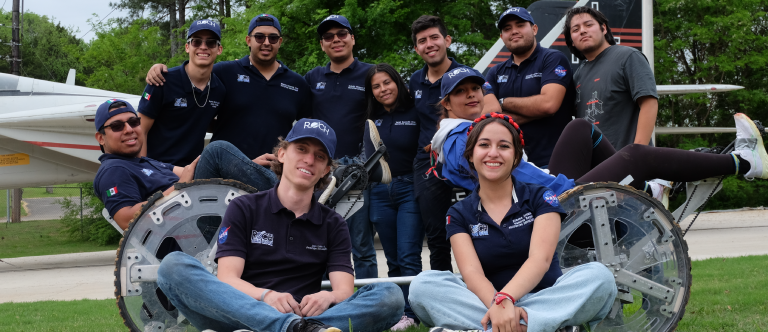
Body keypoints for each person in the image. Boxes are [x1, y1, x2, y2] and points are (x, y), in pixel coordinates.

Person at [156, 118, 405, 332]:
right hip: (238, 316)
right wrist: (267, 296)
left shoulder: (333, 223)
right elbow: (228, 278)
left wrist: (327, 296)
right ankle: (292, 328)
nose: (309, 160)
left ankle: (299, 327)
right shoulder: (244, 208)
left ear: (326, 170)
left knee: (390, 297)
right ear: (282, 154)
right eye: (302, 149)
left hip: (305, 315)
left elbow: (343, 290)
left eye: (319, 157)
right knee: (172, 266)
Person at [428, 70, 768, 205]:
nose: (472, 95)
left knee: (579, 127)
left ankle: (649, 191)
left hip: (543, 190)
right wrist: (551, 185)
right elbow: (497, 173)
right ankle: (746, 162)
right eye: (461, 92)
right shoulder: (459, 137)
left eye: (476, 88)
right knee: (637, 155)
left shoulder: (461, 133)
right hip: (549, 202)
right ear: (446, 103)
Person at [409, 113, 617, 332]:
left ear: (516, 157)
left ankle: (494, 327)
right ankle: (540, 326)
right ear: (470, 154)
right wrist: (499, 305)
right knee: (423, 286)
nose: (493, 153)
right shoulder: (458, 212)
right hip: (488, 304)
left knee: (599, 277)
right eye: (484, 145)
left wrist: (507, 297)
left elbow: (540, 260)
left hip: (546, 297)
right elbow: (472, 274)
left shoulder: (541, 196)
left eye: (504, 146)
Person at [146, 14, 312, 160]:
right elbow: (193, 75)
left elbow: (305, 132)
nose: (266, 42)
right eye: (259, 37)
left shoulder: (297, 83)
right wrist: (159, 68)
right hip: (224, 173)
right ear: (248, 40)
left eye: (273, 38)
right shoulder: (223, 72)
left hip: (275, 174)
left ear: (280, 42)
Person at [93, 99, 279, 230]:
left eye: (134, 122)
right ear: (101, 138)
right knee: (216, 150)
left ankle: (290, 201)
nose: (129, 129)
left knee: (253, 163)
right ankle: (295, 202)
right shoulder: (113, 170)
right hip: (188, 226)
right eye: (117, 126)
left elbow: (191, 170)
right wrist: (177, 187)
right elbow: (126, 220)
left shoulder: (143, 162)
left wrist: (242, 166)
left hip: (201, 208)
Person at [304, 14, 380, 280]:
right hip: (321, 172)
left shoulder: (371, 73)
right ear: (322, 45)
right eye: (328, 36)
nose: (335, 39)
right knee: (318, 243)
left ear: (352, 39)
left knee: (361, 246)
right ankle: (323, 303)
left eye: (341, 34)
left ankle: (370, 303)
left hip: (358, 171)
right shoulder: (312, 78)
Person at [409, 15, 486, 272]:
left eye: (434, 37)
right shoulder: (414, 81)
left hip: (465, 156)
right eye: (422, 41)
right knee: (436, 235)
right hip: (428, 163)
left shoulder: (467, 76)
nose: (429, 44)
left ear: (447, 40)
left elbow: (488, 112)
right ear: (417, 48)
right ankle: (444, 293)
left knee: (481, 228)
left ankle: (489, 290)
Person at [363, 63, 423, 330]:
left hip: (410, 188)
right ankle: (401, 312)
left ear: (397, 82)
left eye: (387, 82)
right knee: (392, 258)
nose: (382, 89)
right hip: (379, 192)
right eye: (376, 86)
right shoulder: (370, 119)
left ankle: (415, 311)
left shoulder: (415, 111)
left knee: (409, 255)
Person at [483, 7, 574, 167]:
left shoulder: (553, 59)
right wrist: (536, 113)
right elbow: (489, 117)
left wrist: (502, 102)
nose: (514, 31)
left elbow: (548, 105)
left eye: (520, 25)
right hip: (512, 166)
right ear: (502, 37)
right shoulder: (495, 72)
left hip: (554, 163)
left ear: (534, 29)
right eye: (507, 29)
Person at [563, 6, 658, 150]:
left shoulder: (628, 56)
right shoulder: (578, 74)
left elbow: (649, 102)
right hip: (593, 165)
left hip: (627, 160)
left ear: (604, 28)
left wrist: (638, 152)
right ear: (572, 40)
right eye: (575, 29)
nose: (582, 30)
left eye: (588, 25)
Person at [138, 19, 226, 166]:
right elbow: (140, 130)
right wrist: (143, 172)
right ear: (187, 47)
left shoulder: (219, 89)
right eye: (196, 42)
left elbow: (206, 120)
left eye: (210, 43)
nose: (203, 47)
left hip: (192, 173)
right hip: (157, 170)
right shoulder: (161, 81)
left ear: (219, 49)